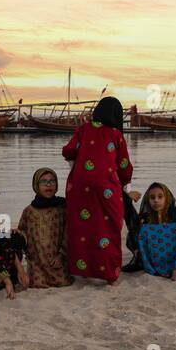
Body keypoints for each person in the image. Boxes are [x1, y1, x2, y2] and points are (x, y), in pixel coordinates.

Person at [62, 96, 136, 283]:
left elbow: (68, 150)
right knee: (108, 227)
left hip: (78, 186)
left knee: (81, 227)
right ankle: (109, 273)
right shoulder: (116, 135)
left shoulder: (83, 129)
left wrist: (79, 164)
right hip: (106, 187)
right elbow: (124, 165)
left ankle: (80, 270)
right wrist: (125, 183)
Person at [16, 167, 72, 288]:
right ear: (36, 185)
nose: (48, 185)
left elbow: (69, 234)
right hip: (37, 264)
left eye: (52, 181)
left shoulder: (62, 207)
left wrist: (61, 255)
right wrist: (17, 234)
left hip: (58, 262)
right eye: (44, 182)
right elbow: (23, 232)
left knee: (63, 281)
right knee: (36, 283)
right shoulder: (29, 211)